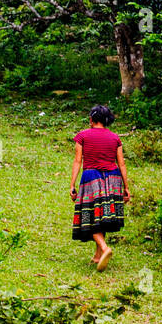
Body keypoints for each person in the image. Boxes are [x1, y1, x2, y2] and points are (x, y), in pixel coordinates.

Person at [68, 104, 130, 271]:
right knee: (104, 215)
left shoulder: (82, 136)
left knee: (89, 216)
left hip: (92, 177)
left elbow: (78, 161)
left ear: (91, 119)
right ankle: (97, 256)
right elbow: (121, 164)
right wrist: (126, 187)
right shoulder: (115, 138)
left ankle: (104, 248)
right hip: (113, 178)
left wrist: (72, 184)